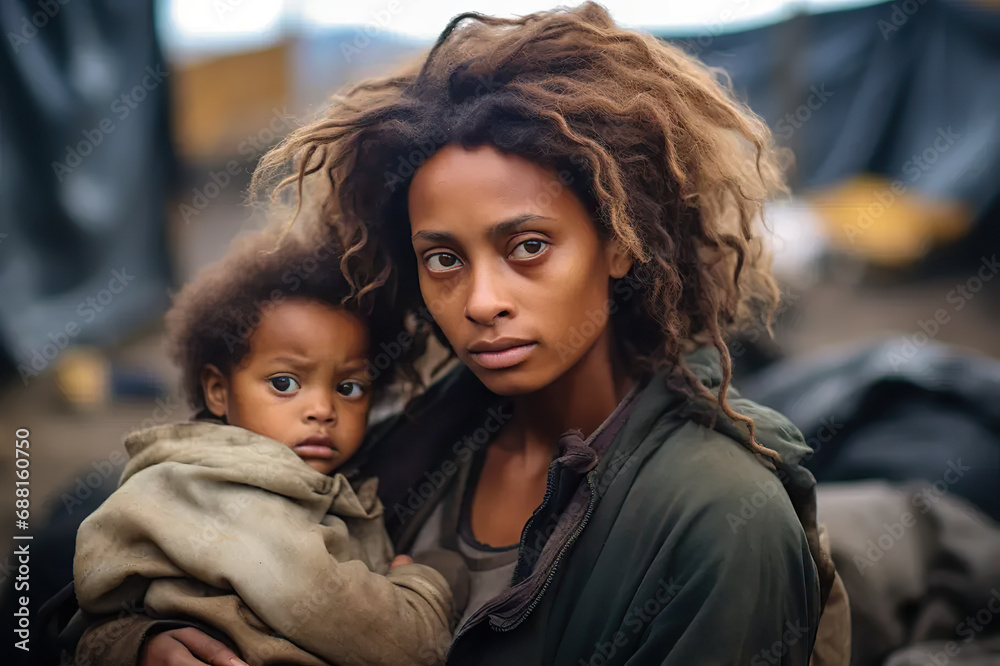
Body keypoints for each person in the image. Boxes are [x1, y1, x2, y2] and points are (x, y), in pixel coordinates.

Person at [70, 3, 849, 664]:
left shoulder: (722, 524)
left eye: (528, 247)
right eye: (443, 259)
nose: (480, 301)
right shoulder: (389, 432)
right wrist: (144, 644)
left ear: (620, 244)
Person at [69, 228, 467, 665]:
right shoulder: (234, 497)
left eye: (349, 387)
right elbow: (402, 647)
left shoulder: (320, 486)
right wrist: (428, 583)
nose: (322, 410)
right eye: (284, 383)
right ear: (218, 391)